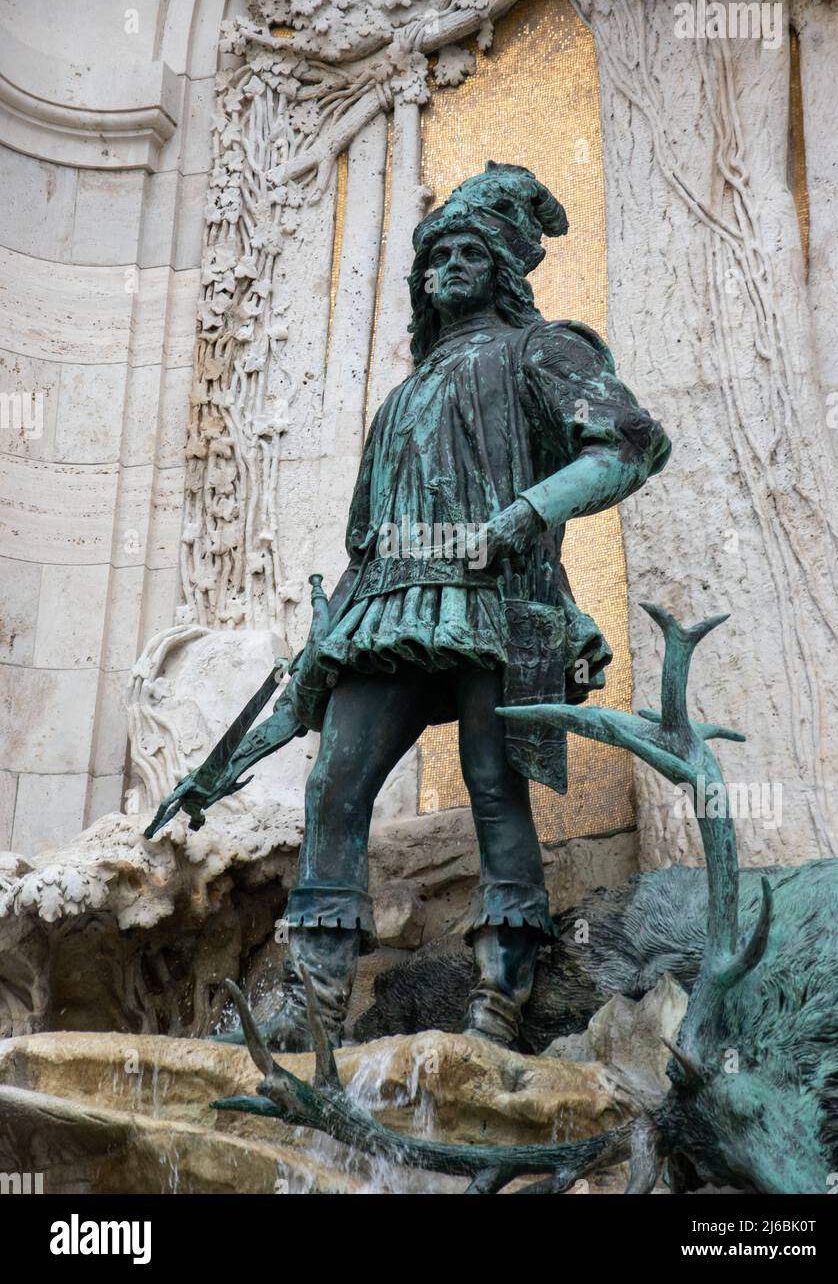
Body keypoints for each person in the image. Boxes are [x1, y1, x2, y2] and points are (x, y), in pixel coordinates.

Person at [218, 161, 670, 1052]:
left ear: (503, 267)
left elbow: (632, 441)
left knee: (494, 786)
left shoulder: (543, 350)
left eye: (469, 251)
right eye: (437, 254)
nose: (449, 265)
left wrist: (523, 516)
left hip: (501, 597)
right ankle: (314, 996)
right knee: (332, 787)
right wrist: (318, 652)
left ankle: (501, 994)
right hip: (389, 606)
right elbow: (365, 542)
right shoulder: (397, 399)